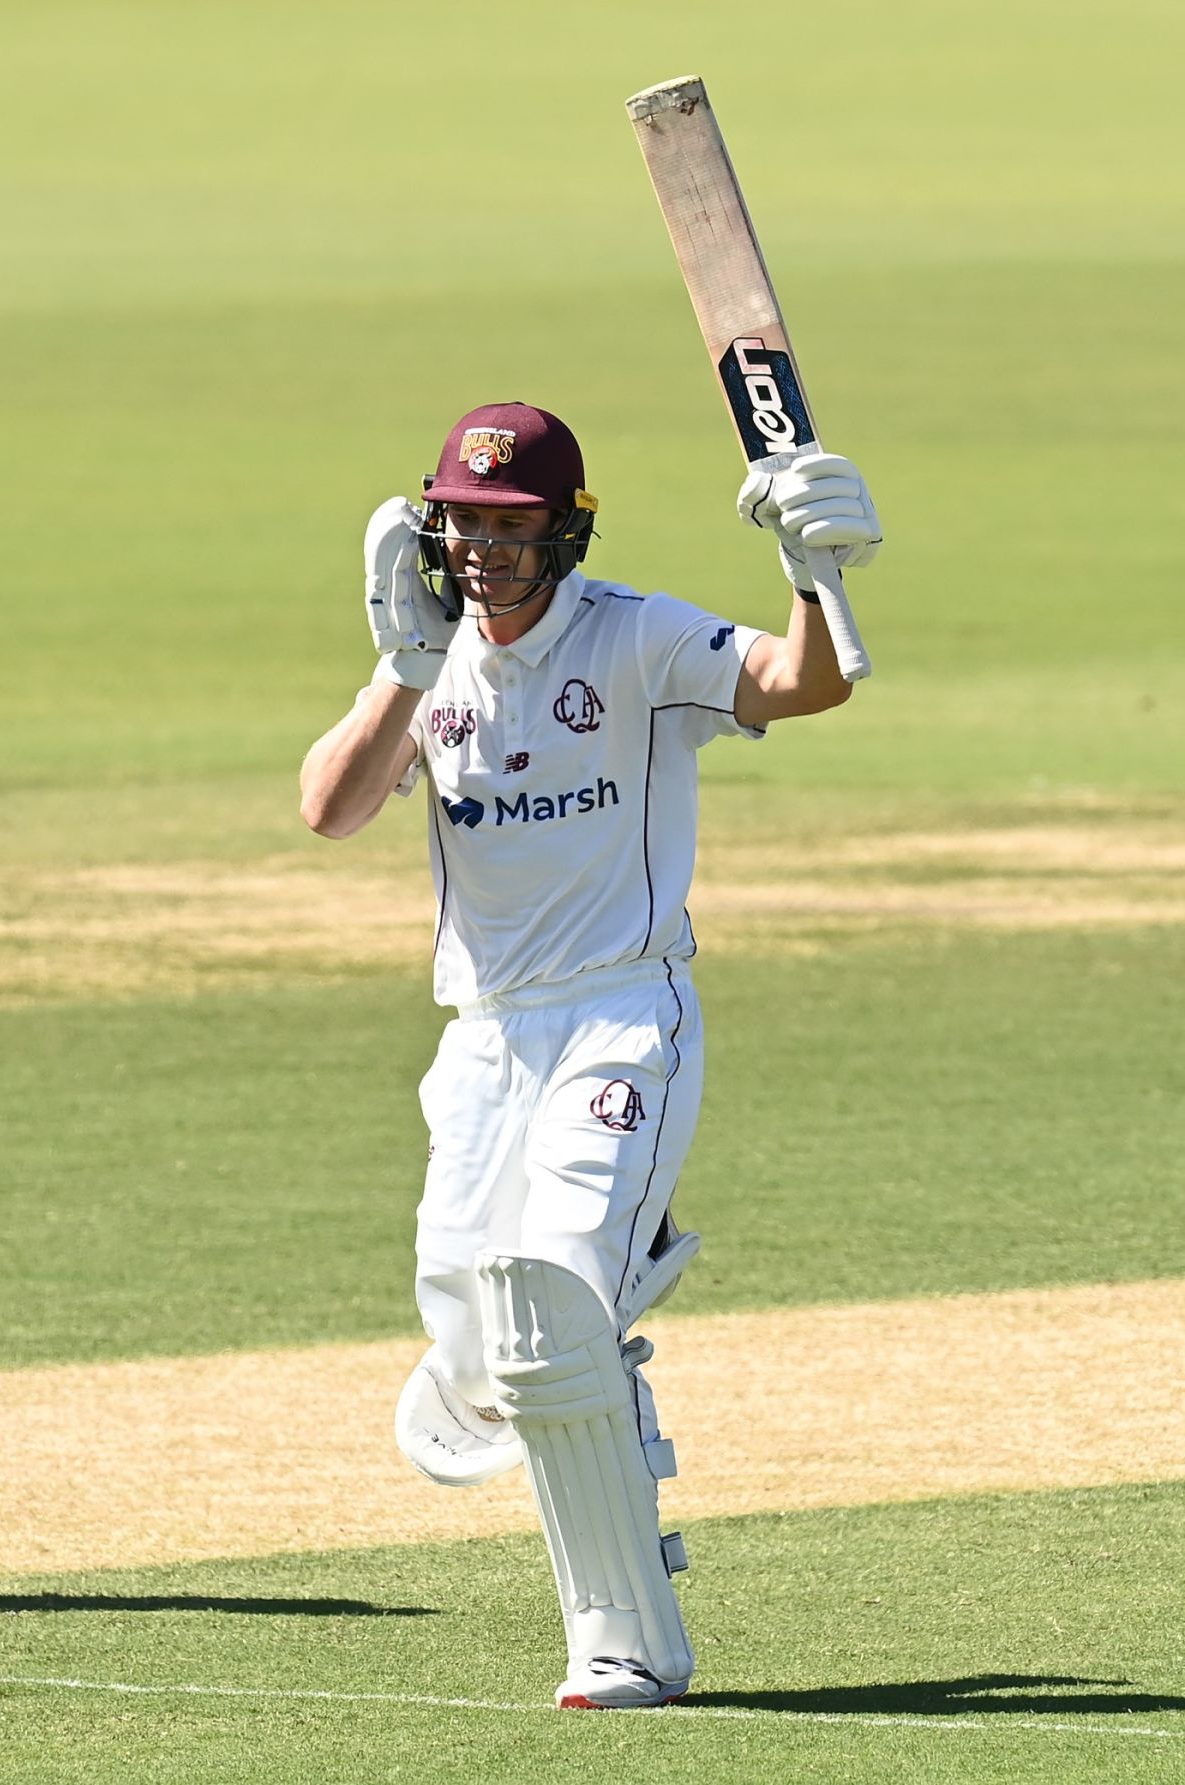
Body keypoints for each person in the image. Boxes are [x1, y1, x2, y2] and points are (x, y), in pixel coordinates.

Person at [299, 401, 881, 1709]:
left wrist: (811, 574)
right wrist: (402, 668)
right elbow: (329, 808)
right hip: (484, 1040)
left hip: (622, 1011)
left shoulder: (633, 635)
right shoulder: (430, 653)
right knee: (473, 1356)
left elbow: (806, 683)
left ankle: (622, 1646)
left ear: (566, 532)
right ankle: (626, 1250)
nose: (484, 550)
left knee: (554, 1304)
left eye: (512, 528)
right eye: (465, 523)